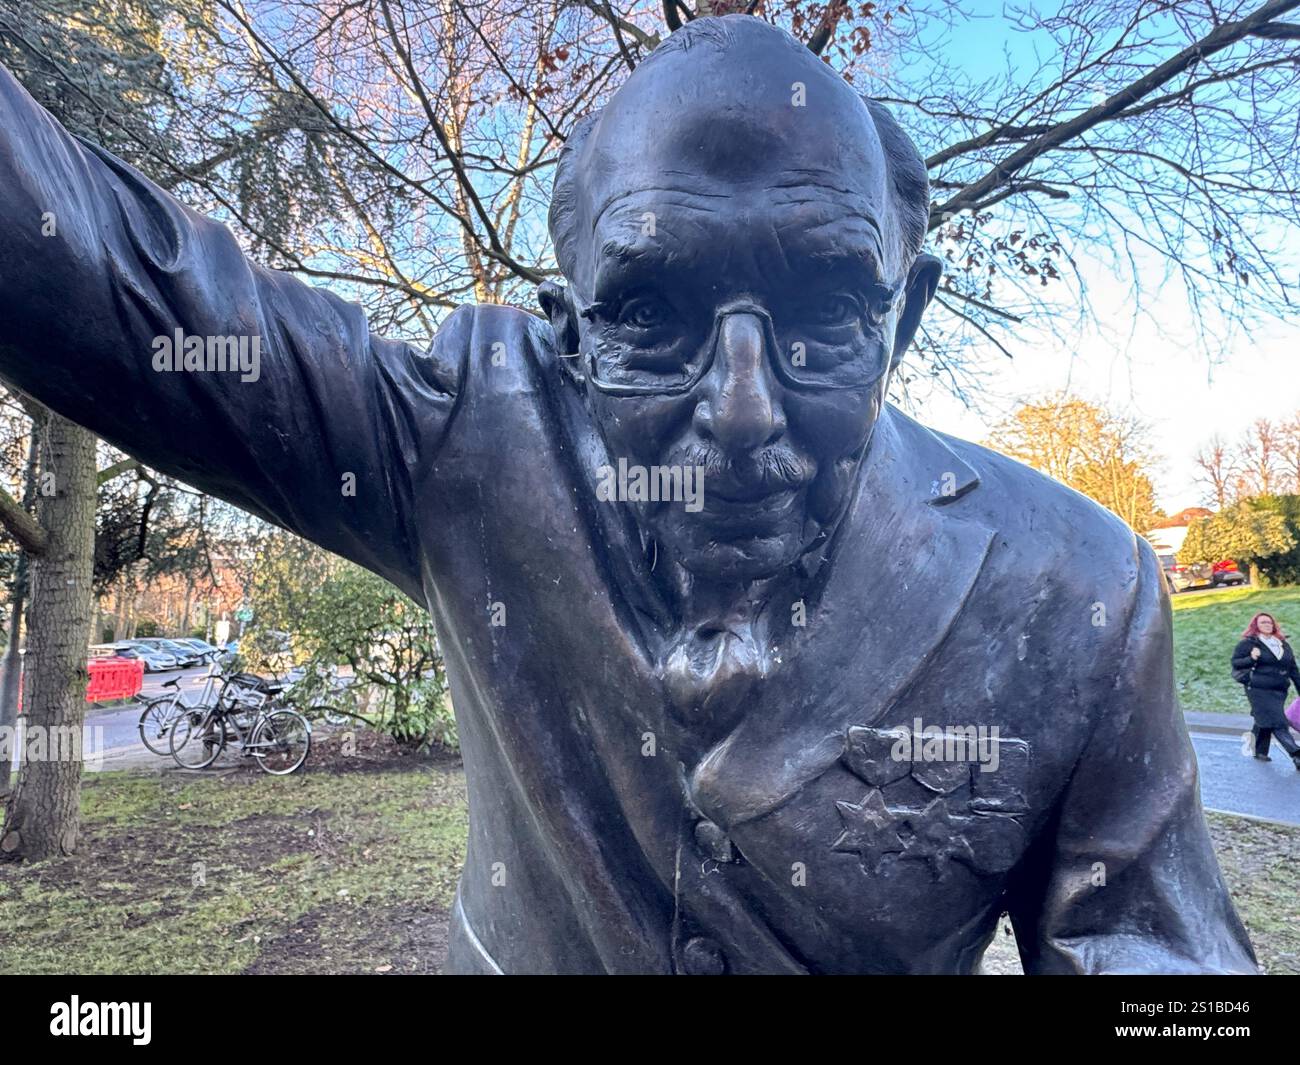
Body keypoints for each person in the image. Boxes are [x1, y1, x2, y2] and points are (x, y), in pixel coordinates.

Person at [0, 15, 1256, 973]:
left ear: (903, 313)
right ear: (570, 332)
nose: (745, 407)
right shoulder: (463, 445)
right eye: (653, 314)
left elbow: (1152, 969)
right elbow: (114, 287)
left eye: (822, 315)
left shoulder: (1076, 587)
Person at [1232, 612, 1300, 768]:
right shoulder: (1249, 644)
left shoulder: (1282, 644)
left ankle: (1259, 750)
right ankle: (1296, 754)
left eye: (1270, 622)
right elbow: (1237, 663)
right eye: (1263, 622)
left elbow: (1293, 670)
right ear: (1256, 625)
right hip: (1258, 689)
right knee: (1278, 722)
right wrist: (1252, 658)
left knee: (1264, 718)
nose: (1267, 625)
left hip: (1279, 691)